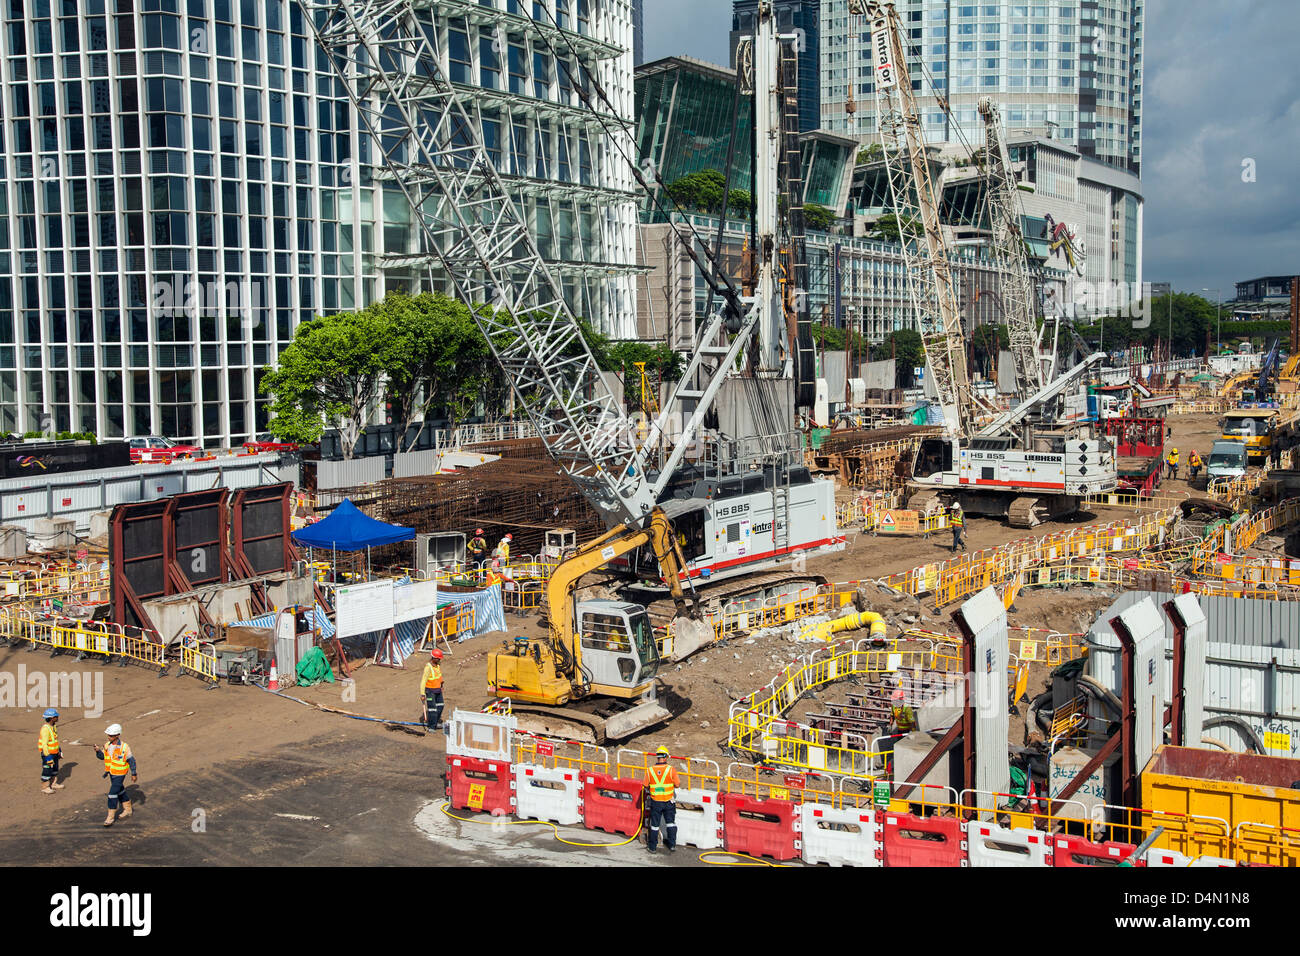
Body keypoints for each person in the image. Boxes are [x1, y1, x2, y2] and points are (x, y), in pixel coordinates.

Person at [94, 724, 137, 827]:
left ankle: (110, 817)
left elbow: (131, 760)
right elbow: (102, 757)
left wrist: (134, 773)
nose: (109, 737)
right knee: (120, 790)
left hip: (120, 774)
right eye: (108, 735)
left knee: (112, 794)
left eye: (111, 735)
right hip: (112, 773)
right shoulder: (107, 745)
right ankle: (128, 809)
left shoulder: (124, 747)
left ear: (117, 735)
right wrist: (98, 751)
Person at [645, 746, 679, 854]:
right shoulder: (671, 769)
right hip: (668, 801)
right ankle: (672, 844)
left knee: (655, 825)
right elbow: (677, 784)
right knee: (670, 823)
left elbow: (645, 785)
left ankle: (652, 847)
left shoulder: (650, 770)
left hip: (656, 802)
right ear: (665, 757)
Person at [39, 708, 64, 794]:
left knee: (54, 769)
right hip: (48, 754)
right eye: (56, 716)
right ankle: (45, 787)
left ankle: (53, 783)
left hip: (54, 753)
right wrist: (48, 756)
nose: (58, 717)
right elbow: (44, 744)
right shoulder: (45, 729)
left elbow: (55, 740)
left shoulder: (53, 727)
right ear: (52, 718)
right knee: (47, 770)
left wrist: (59, 751)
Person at [422, 648, 445, 730]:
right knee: (432, 709)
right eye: (438, 658)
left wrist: (441, 685)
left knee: (441, 706)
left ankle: (436, 722)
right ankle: (431, 726)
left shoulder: (438, 666)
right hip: (430, 691)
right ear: (434, 658)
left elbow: (439, 676)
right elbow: (423, 681)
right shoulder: (428, 667)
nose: (439, 660)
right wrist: (422, 694)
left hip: (438, 690)